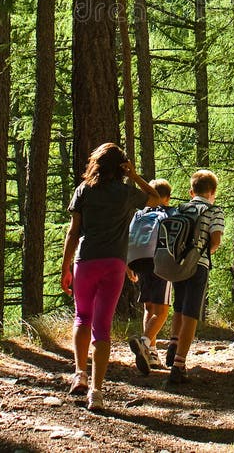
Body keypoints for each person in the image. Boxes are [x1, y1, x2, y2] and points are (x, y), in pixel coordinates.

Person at [60, 142, 161, 411]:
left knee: (83, 317)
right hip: (114, 264)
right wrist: (135, 176)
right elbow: (155, 198)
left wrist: (65, 266)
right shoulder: (127, 193)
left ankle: (80, 373)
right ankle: (97, 392)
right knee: (102, 327)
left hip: (86, 260)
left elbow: (73, 232)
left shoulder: (84, 190)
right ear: (121, 167)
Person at [165, 169, 224, 385]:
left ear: (191, 191)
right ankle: (179, 365)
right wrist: (203, 253)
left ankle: (173, 343)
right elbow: (215, 241)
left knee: (179, 307)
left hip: (178, 264)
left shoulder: (181, 208)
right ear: (213, 191)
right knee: (191, 313)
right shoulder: (214, 210)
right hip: (198, 265)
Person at [127, 178, 174, 375]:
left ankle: (151, 354)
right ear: (167, 198)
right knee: (162, 310)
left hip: (137, 259)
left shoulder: (139, 214)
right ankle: (145, 343)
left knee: (149, 306)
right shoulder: (168, 212)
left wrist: (128, 264)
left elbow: (128, 236)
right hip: (158, 259)